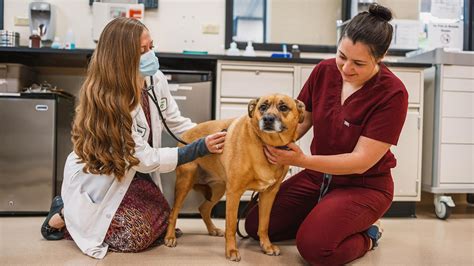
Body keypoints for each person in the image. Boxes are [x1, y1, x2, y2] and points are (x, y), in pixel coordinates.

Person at [40, 17, 226, 259]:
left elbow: (174, 121)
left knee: (161, 220)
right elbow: (144, 158)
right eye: (142, 50)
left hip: (135, 174)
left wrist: (210, 133)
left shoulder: (153, 79)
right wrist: (198, 148)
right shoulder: (108, 100)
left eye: (151, 47)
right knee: (133, 236)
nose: (151, 56)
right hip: (107, 175)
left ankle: (131, 215)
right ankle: (66, 213)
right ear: (122, 57)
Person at [245, 4, 408, 265]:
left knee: (315, 247)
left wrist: (301, 161)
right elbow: (297, 125)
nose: (345, 68)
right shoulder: (323, 71)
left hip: (363, 185)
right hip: (318, 177)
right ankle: (325, 215)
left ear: (382, 56)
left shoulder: (392, 94)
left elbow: (361, 161)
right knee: (255, 224)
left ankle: (369, 233)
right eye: (342, 56)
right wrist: (260, 139)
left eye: (358, 63)